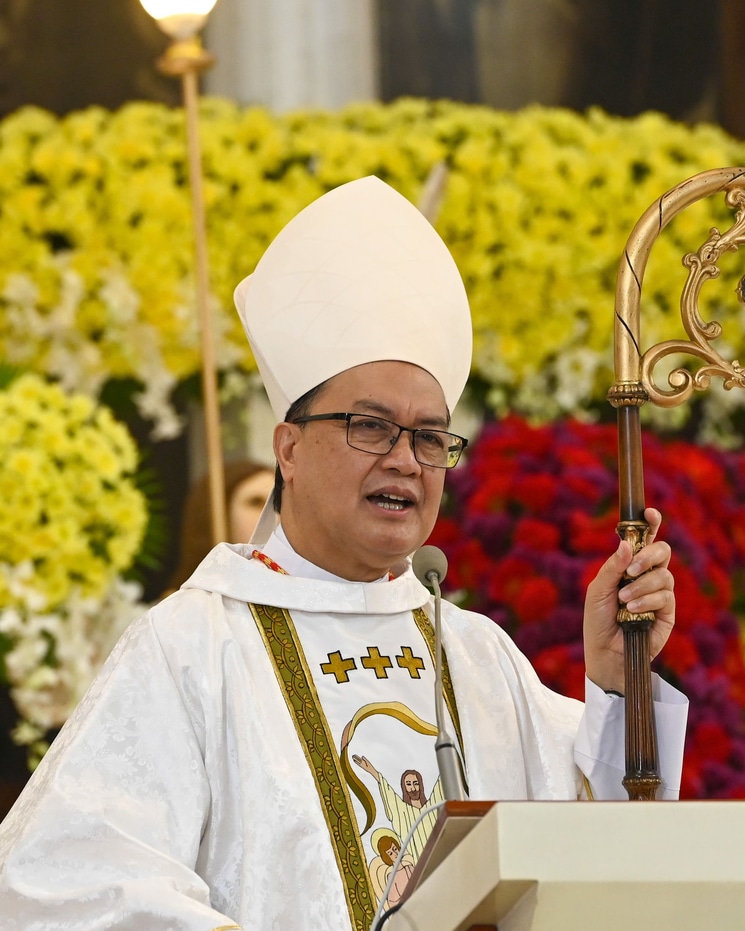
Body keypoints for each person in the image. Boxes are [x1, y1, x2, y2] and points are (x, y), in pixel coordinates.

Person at [0, 177, 688, 929]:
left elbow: (606, 856)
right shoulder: (195, 647)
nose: (405, 459)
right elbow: (65, 883)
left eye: (430, 437)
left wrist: (618, 688)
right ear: (287, 448)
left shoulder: (476, 655)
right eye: (371, 425)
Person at [169, 459, 276, 590]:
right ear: (215, 513)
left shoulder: (298, 593)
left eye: (278, 504)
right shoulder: (179, 606)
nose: (275, 515)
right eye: (256, 502)